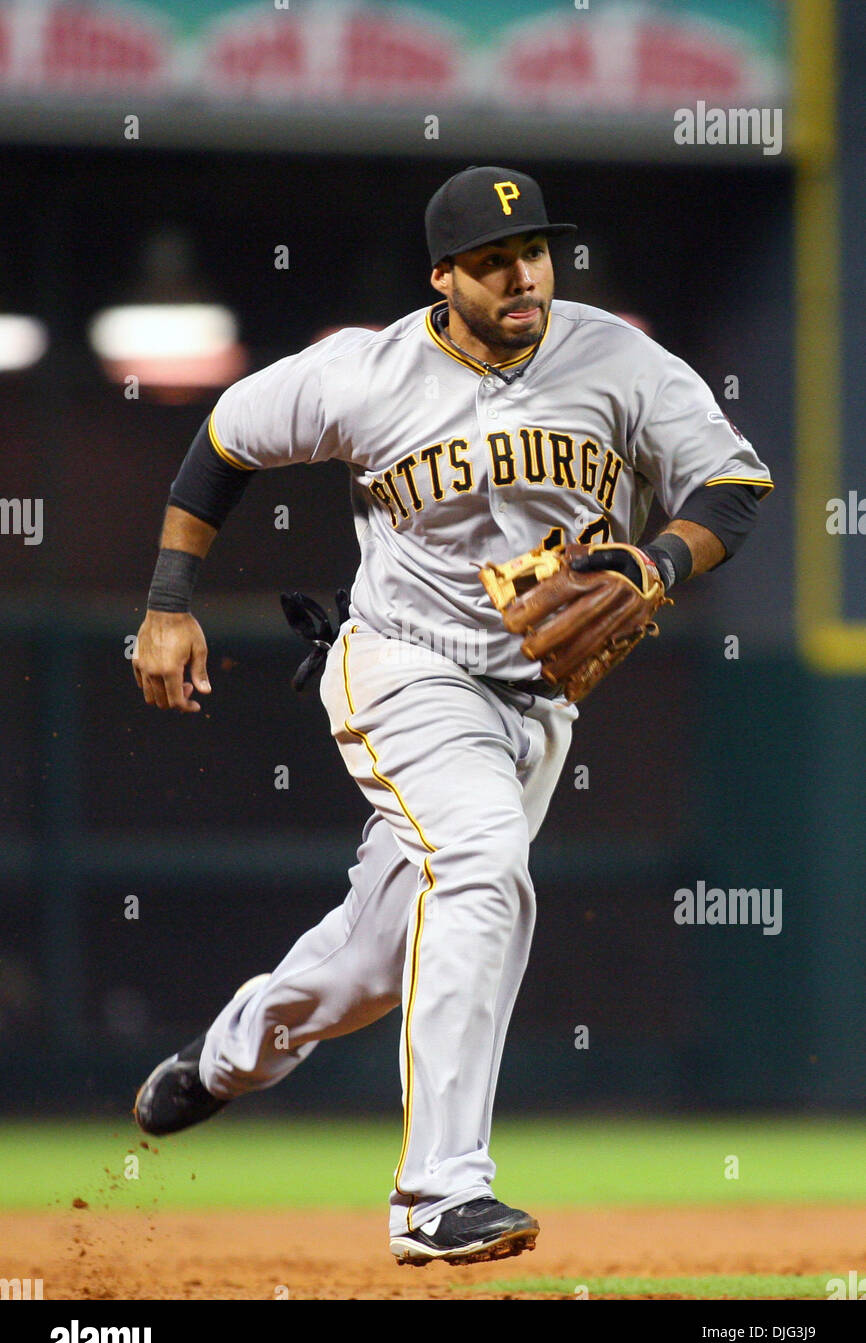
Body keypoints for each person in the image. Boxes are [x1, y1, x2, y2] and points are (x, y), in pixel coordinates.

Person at [131, 165, 773, 1267]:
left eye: (533, 251)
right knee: (480, 865)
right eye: (490, 260)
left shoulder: (615, 356)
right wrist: (166, 602)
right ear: (443, 277)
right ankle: (438, 1193)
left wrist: (656, 559)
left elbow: (733, 485)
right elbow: (224, 443)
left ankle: (234, 1048)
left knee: (375, 964)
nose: (521, 273)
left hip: (533, 708)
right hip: (402, 670)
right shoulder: (367, 371)